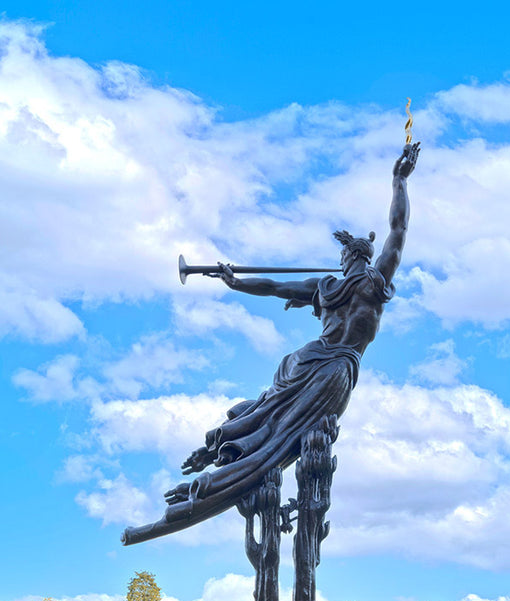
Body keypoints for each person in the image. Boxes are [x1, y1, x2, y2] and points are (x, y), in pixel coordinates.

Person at [121, 143, 420, 545]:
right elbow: (398, 232)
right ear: (366, 257)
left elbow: (275, 287)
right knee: (277, 447)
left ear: (346, 257)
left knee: (270, 422)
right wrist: (399, 181)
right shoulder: (373, 283)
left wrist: (235, 281)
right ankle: (221, 477)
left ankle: (222, 454)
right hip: (335, 370)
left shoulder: (326, 287)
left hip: (304, 361)